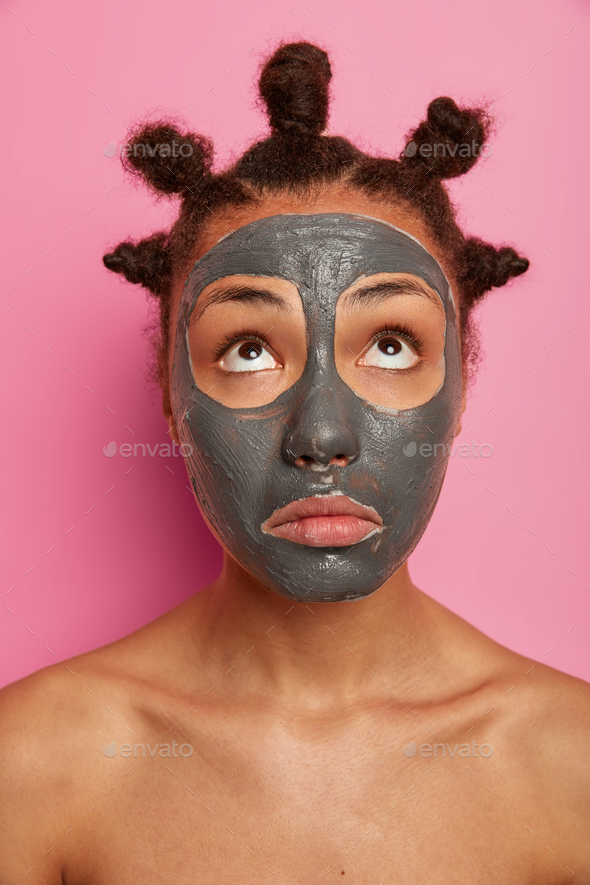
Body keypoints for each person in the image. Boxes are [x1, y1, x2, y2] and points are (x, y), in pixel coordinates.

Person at [1, 42, 588, 883]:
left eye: (390, 343)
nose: (321, 434)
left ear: (459, 389)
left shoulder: (572, 769)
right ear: (170, 397)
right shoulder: (31, 767)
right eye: (247, 349)